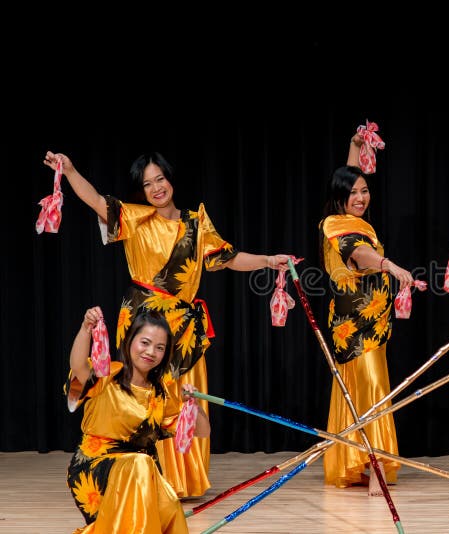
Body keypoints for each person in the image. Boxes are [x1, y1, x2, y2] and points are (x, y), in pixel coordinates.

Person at [44, 151, 290, 497]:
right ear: (141, 191)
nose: (156, 188)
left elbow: (229, 258)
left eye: (160, 179)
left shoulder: (196, 223)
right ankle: (149, 475)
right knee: (143, 394)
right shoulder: (135, 218)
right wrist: (69, 170)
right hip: (142, 321)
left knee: (183, 396)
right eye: (147, 184)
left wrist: (268, 260)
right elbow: (95, 199)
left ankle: (184, 481)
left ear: (170, 180)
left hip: (183, 327)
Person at [319, 130, 415, 496]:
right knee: (372, 389)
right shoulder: (337, 225)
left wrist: (356, 147)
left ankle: (359, 461)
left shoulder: (352, 220)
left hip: (371, 322)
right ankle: (376, 467)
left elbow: (348, 176)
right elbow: (359, 254)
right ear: (339, 197)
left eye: (364, 190)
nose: (360, 197)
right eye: (352, 193)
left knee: (363, 389)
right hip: (354, 326)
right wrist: (390, 265)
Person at [66, 306, 210, 533]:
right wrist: (86, 329)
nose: (151, 352)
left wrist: (192, 404)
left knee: (170, 505)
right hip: (97, 467)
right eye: (145, 342)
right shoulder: (107, 375)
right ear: (130, 340)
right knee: (140, 464)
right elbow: (78, 368)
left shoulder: (160, 393)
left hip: (142, 474)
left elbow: (202, 432)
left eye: (160, 347)